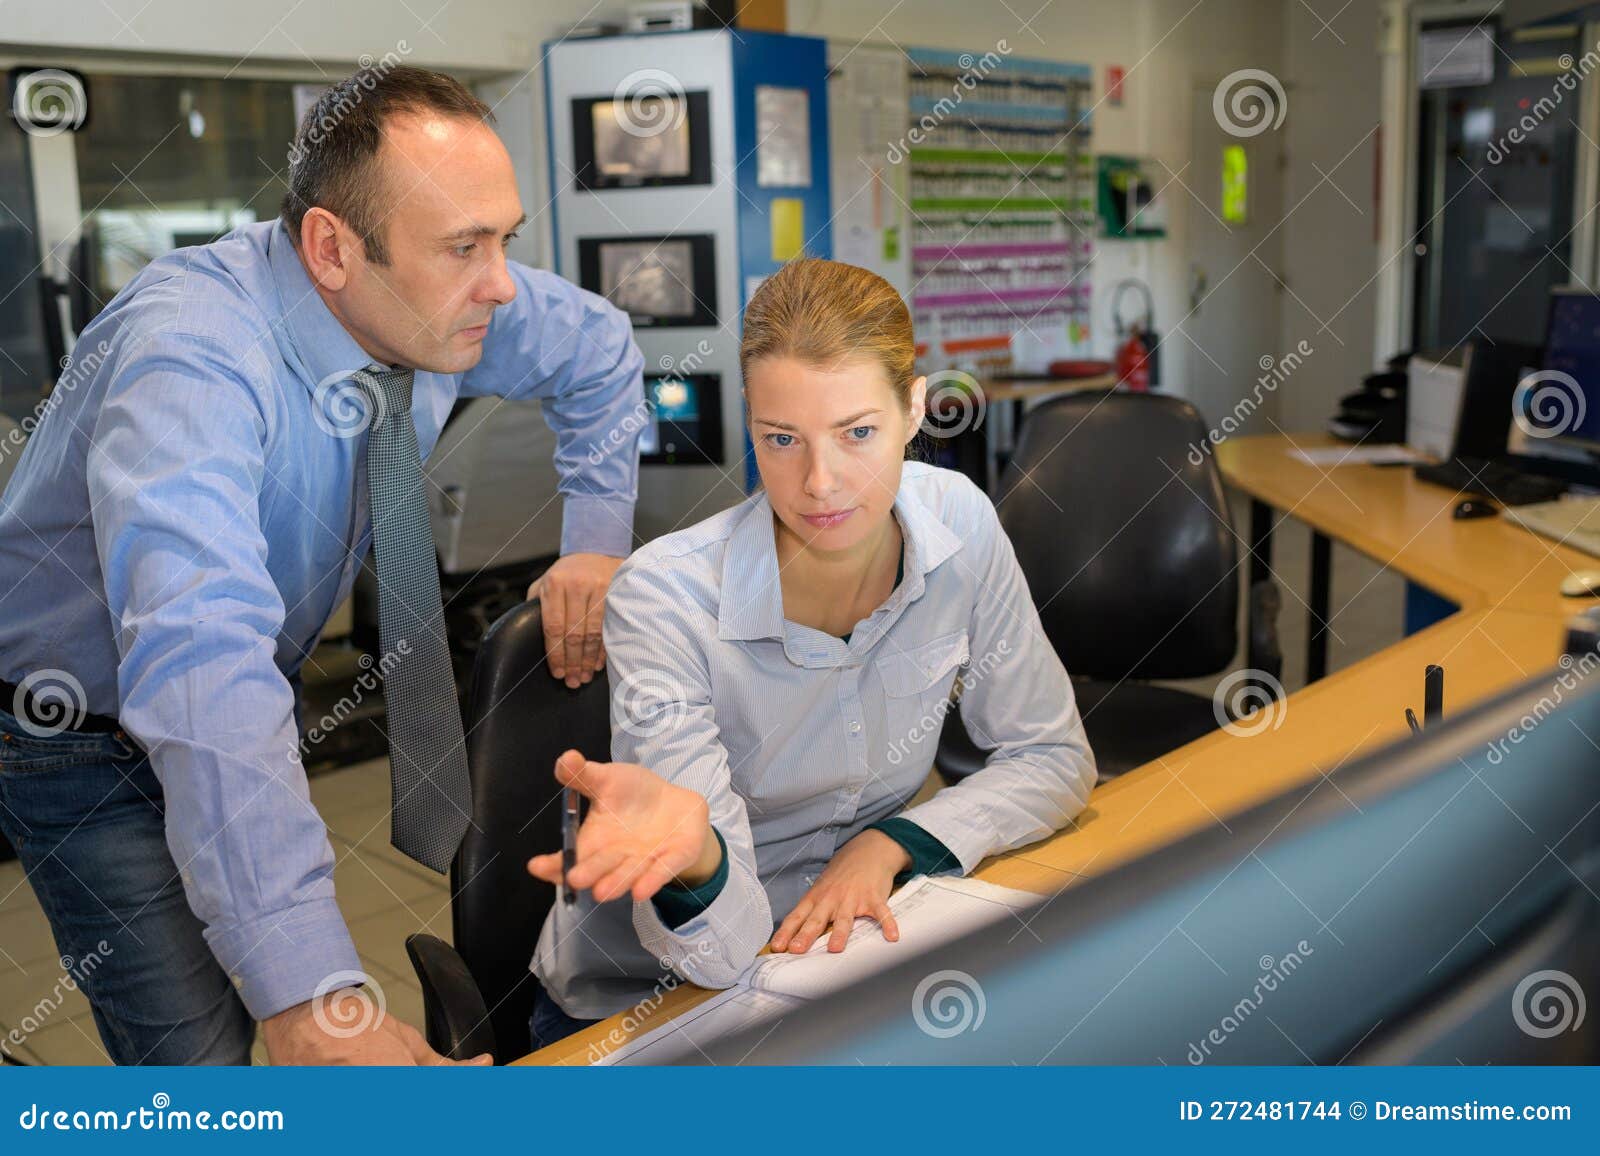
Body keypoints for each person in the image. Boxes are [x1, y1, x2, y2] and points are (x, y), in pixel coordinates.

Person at [0, 66, 644, 1065]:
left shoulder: (438, 300)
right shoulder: (193, 355)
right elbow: (200, 653)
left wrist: (596, 544)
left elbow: (598, 350)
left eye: (506, 239)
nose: (503, 284)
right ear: (332, 249)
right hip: (82, 730)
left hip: (250, 693)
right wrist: (308, 997)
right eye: (465, 246)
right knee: (201, 1067)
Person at [526, 257, 1096, 1049]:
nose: (820, 482)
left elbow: (1054, 758)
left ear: (914, 409)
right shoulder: (665, 597)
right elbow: (721, 956)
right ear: (752, 424)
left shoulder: (958, 522)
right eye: (781, 439)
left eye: (857, 432)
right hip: (652, 999)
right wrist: (698, 860)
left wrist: (890, 843)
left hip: (845, 953)